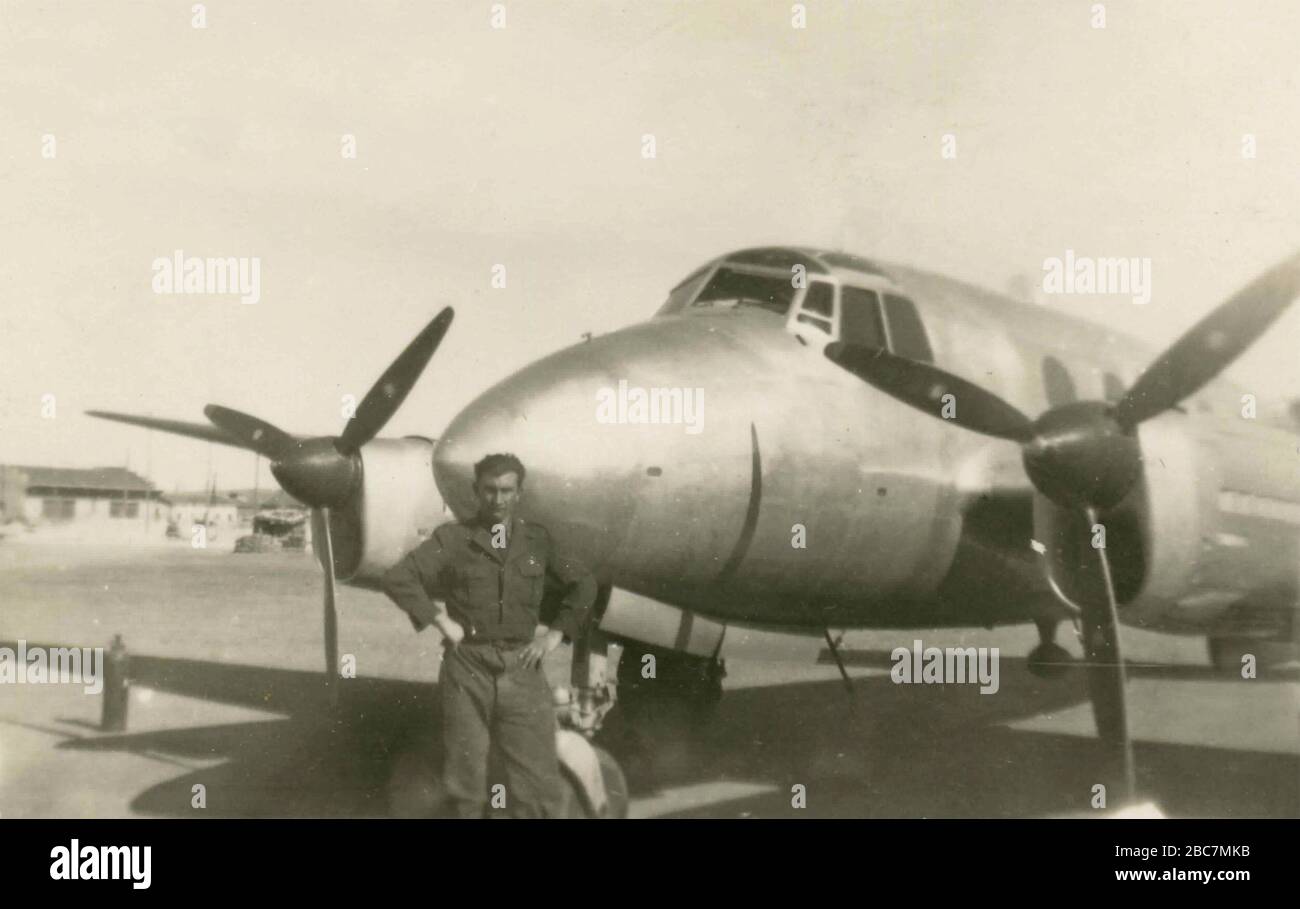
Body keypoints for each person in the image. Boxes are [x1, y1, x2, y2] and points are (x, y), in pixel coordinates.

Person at [380, 452, 596, 817]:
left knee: (539, 783)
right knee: (465, 784)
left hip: (522, 668)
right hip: (468, 669)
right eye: (490, 490)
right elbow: (398, 577)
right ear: (476, 491)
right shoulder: (453, 539)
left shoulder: (537, 541)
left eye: (506, 490)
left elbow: (584, 584)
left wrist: (555, 634)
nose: (498, 499)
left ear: (519, 493)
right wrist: (439, 620)